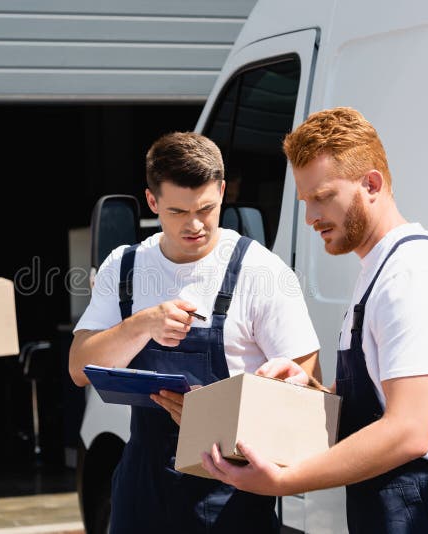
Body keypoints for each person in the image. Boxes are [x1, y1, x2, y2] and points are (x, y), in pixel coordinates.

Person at [201, 107, 428, 533]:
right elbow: (380, 396)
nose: (310, 218)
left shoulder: (412, 275)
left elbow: (408, 430)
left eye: (323, 196)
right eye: (306, 202)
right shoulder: (382, 270)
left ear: (371, 184)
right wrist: (313, 390)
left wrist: (283, 481)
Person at [69, 131, 321, 534]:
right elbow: (79, 367)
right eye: (177, 211)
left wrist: (217, 420)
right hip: (141, 491)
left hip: (229, 497)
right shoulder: (126, 267)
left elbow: (308, 396)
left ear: (222, 191)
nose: (195, 225)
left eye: (206, 208)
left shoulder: (262, 272)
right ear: (152, 202)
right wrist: (141, 324)